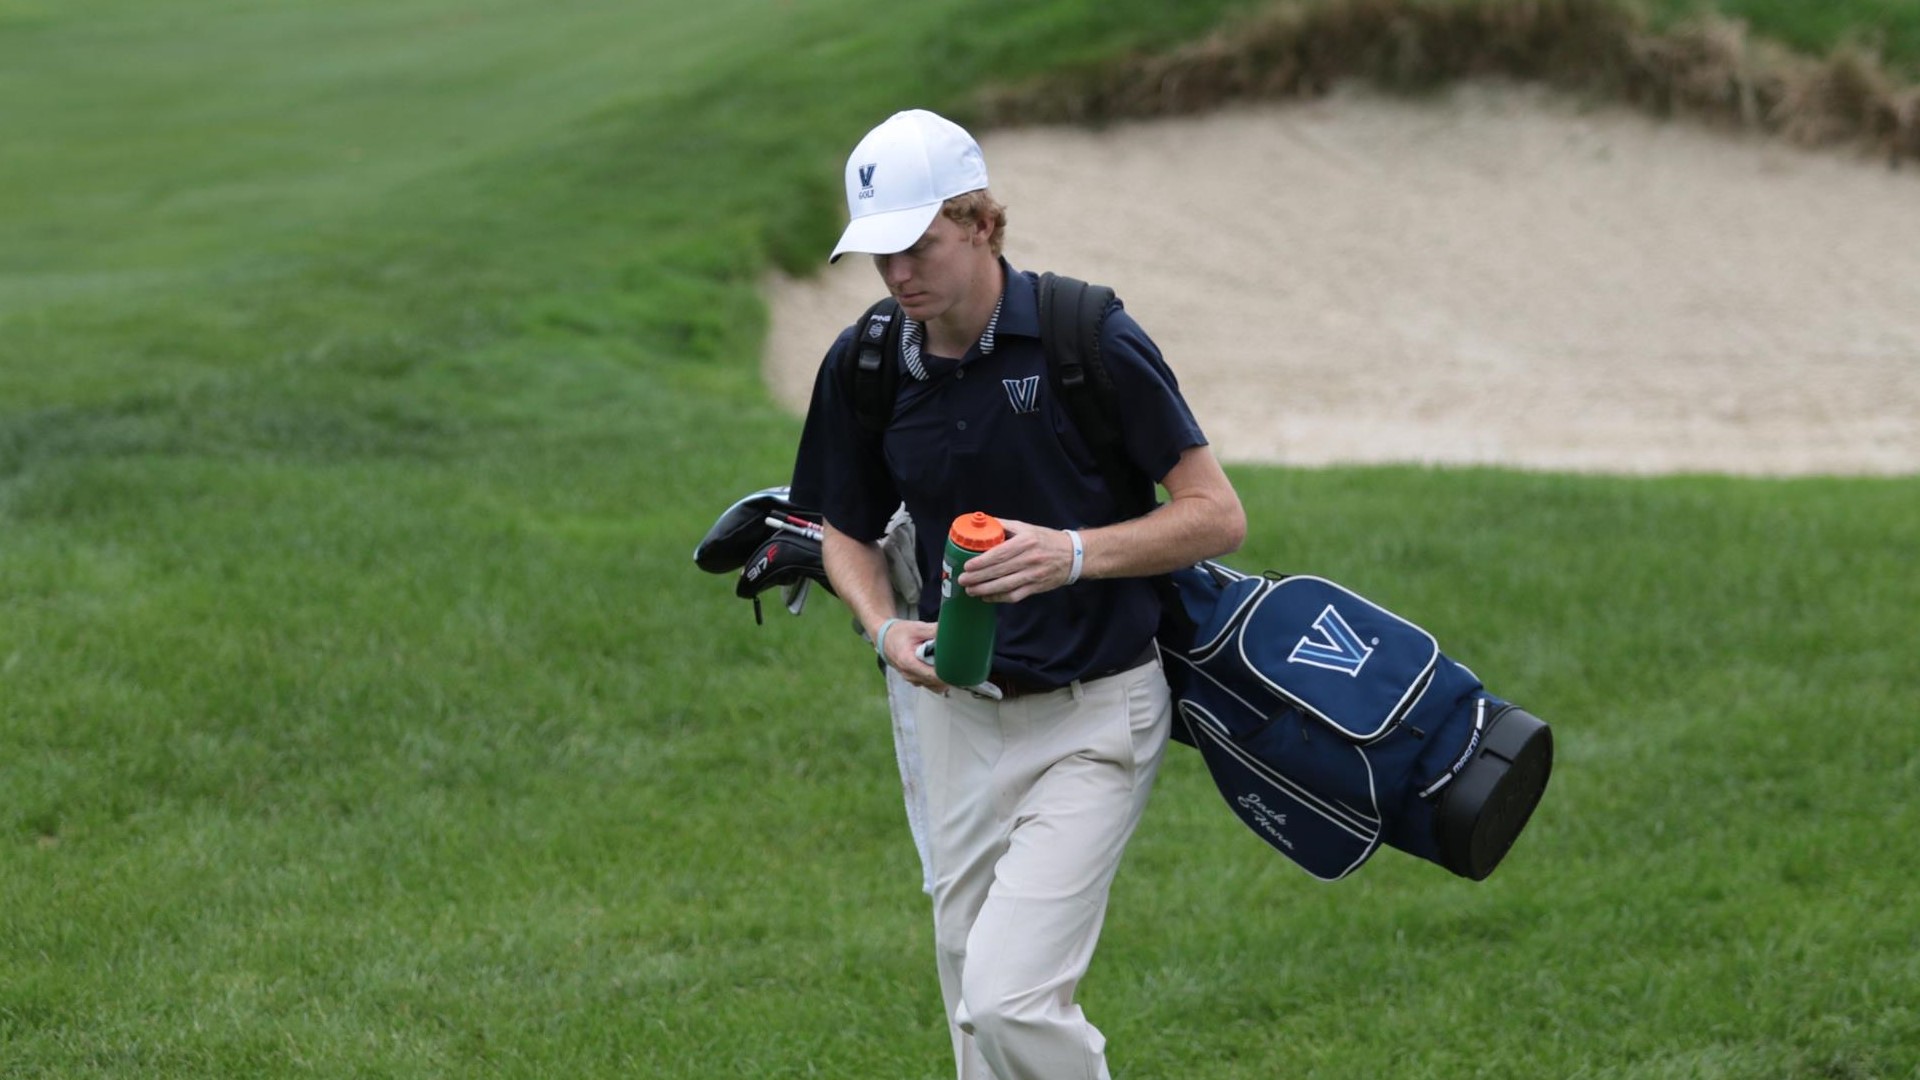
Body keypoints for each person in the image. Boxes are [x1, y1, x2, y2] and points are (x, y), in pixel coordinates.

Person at [789, 108, 1246, 1080]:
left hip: (1097, 715)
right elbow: (843, 532)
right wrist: (882, 630)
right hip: (957, 722)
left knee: (1010, 1000)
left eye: (918, 246)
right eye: (879, 255)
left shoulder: (1088, 336)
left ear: (983, 223)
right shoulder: (868, 362)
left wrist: (1071, 552)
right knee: (973, 1017)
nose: (898, 275)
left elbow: (1213, 514)